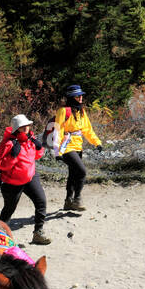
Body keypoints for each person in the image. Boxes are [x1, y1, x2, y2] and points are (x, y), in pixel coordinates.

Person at [0, 114, 50, 245]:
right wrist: (13, 155)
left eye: (27, 125)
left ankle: (38, 233)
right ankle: (0, 239)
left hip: (30, 177)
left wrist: (39, 147)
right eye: (23, 126)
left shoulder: (30, 139)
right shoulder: (9, 143)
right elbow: (2, 165)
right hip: (11, 182)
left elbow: (36, 156)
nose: (26, 127)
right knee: (9, 209)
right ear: (17, 128)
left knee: (41, 202)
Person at [54, 84, 102, 212]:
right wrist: (57, 151)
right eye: (78, 95)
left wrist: (96, 142)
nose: (81, 97)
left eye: (81, 95)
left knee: (73, 174)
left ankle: (68, 202)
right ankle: (77, 199)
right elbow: (57, 131)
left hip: (78, 146)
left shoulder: (81, 111)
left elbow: (87, 129)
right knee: (82, 172)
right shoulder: (63, 111)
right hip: (66, 147)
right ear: (71, 97)